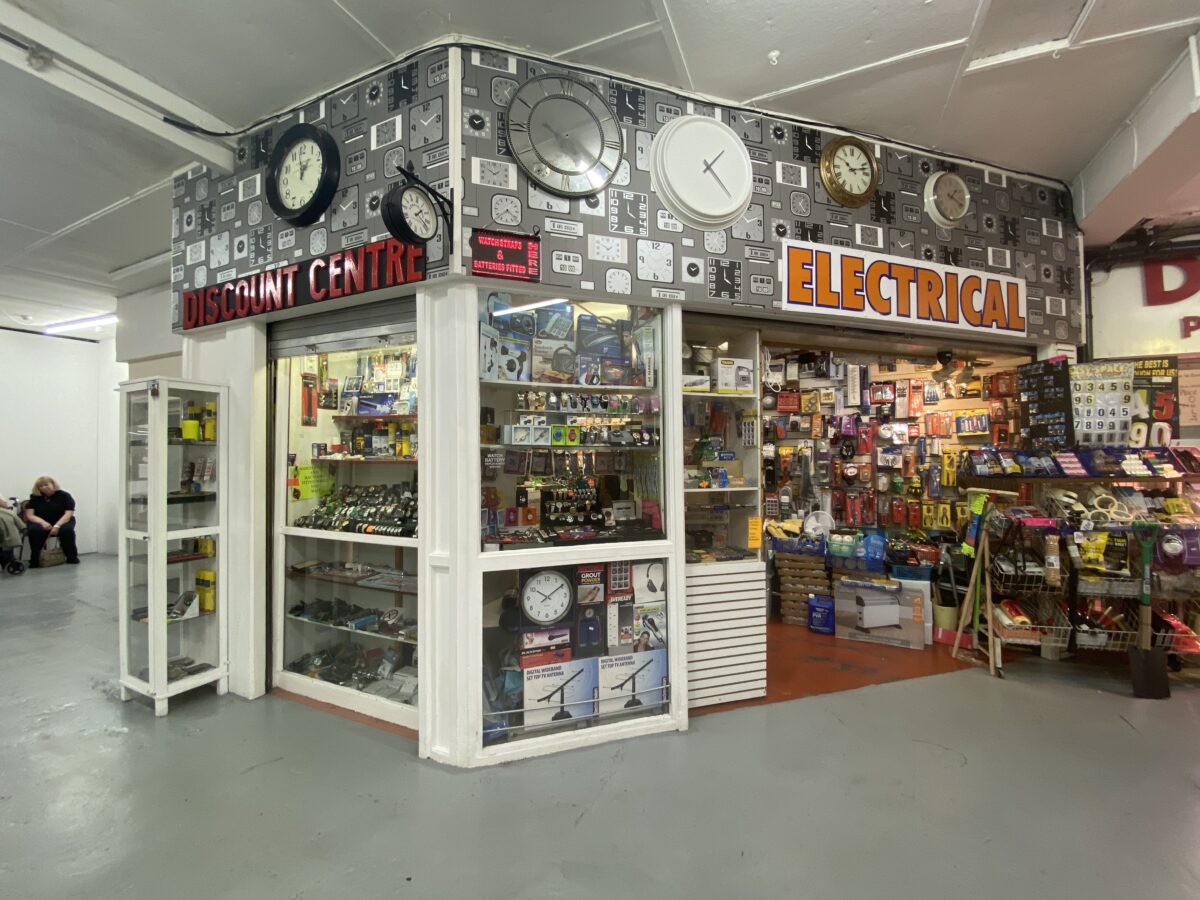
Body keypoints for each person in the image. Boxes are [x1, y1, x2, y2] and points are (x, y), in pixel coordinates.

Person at [23, 476, 79, 566]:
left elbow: (68, 514)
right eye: (41, 486)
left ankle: (71, 557)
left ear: (53, 484)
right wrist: (43, 523)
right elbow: (30, 515)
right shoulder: (35, 497)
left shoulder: (65, 496)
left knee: (66, 531)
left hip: (62, 520)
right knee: (35, 531)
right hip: (41, 520)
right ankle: (35, 559)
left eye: (46, 485)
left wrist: (57, 526)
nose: (43, 487)